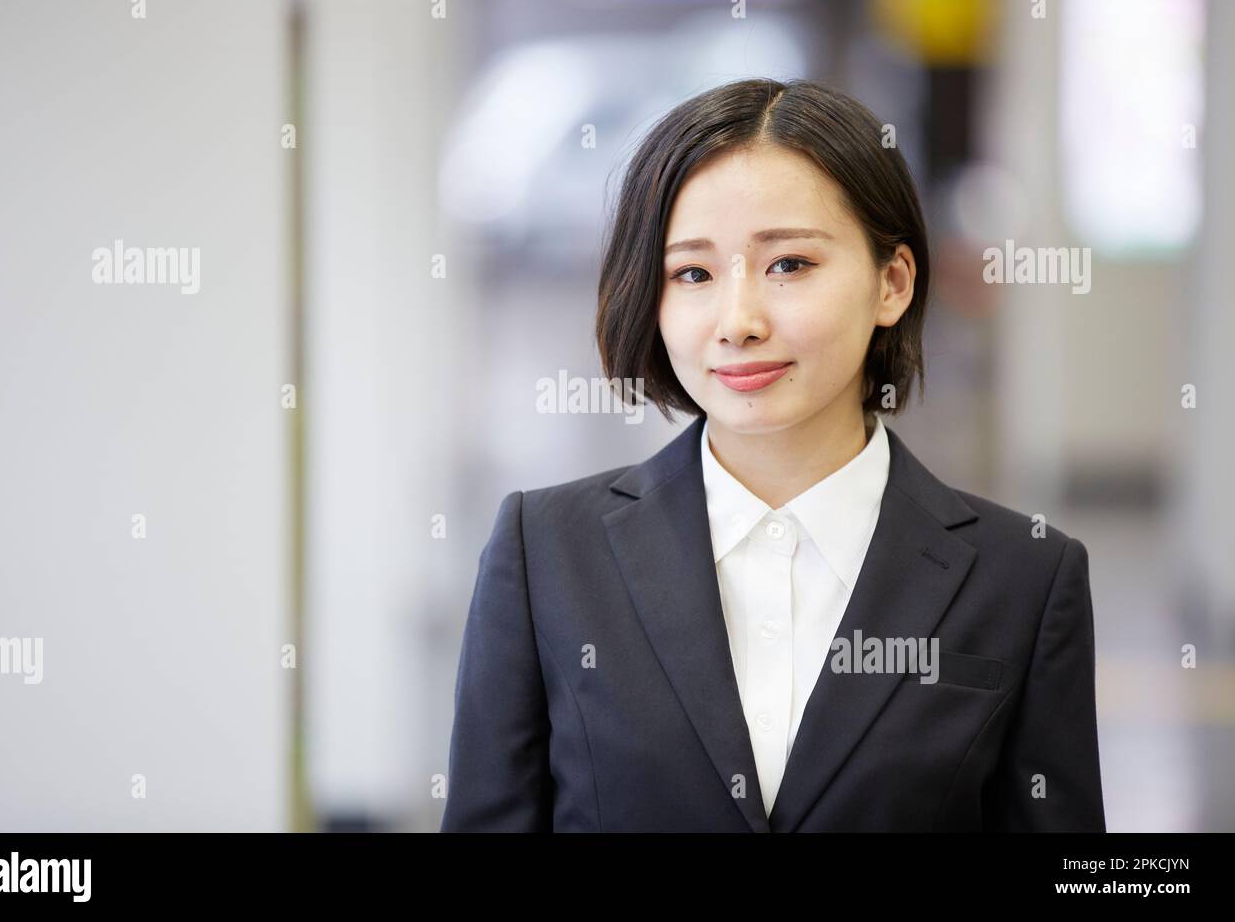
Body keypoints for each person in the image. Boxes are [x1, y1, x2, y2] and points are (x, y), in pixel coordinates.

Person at [440, 78, 1105, 832]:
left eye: (788, 264)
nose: (740, 320)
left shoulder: (1025, 577)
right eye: (692, 273)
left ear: (892, 283)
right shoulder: (546, 554)